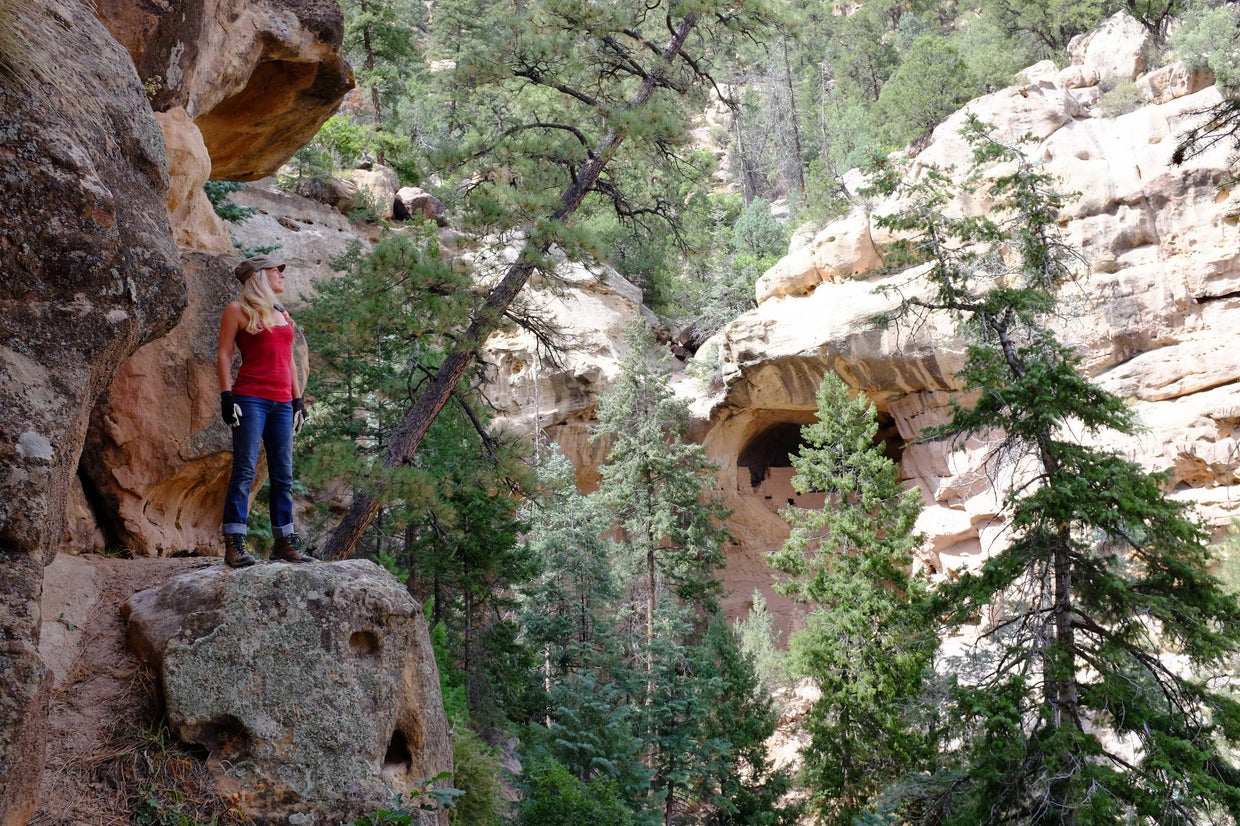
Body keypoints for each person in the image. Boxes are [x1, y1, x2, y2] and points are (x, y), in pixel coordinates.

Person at [217, 254, 316, 567]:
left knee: (283, 474)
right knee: (245, 470)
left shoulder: (282, 313)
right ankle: (234, 544)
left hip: (282, 404)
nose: (282, 276)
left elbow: (287, 360)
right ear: (259, 275)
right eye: (277, 271)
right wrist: (226, 396)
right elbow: (223, 354)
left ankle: (284, 543)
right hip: (250, 399)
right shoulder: (238, 310)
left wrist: (297, 399)